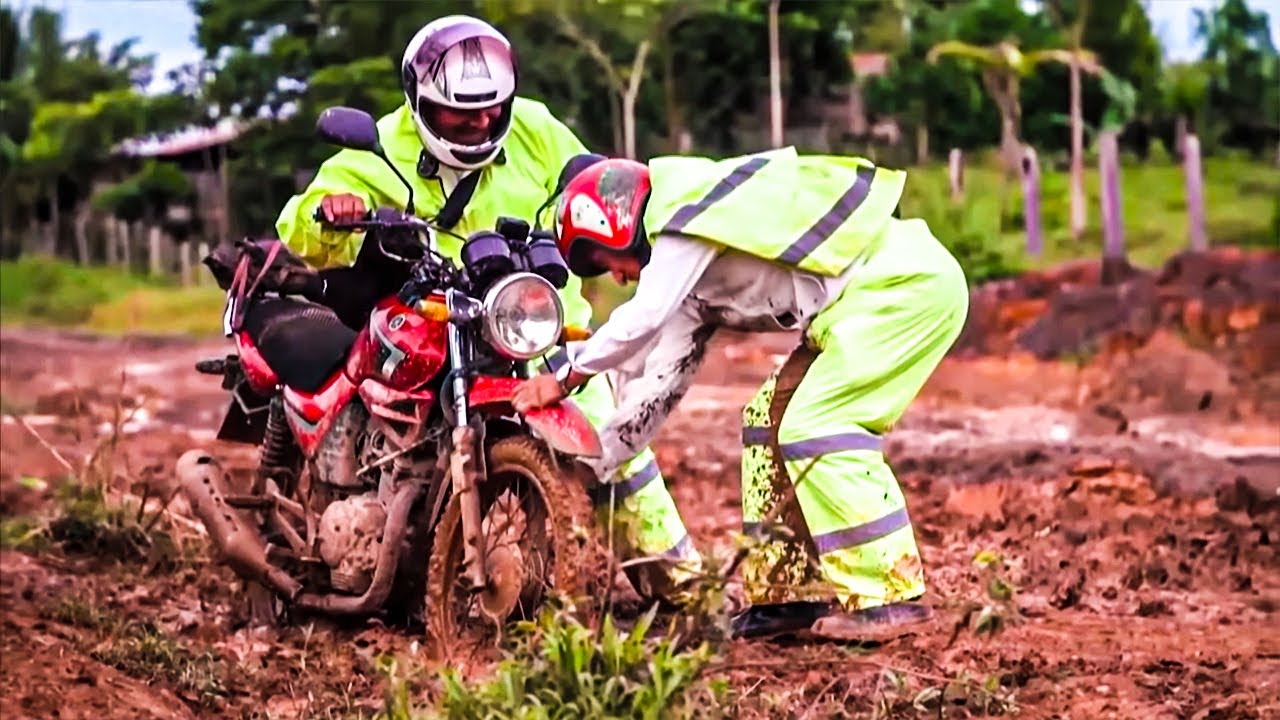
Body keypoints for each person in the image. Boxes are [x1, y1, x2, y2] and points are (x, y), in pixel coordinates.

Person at [273, 15, 701, 600]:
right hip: (436, 321)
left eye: (490, 109)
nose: (478, 122)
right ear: (420, 102)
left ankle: (685, 588)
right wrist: (334, 209)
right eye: (459, 112)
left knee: (615, 440)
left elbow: (591, 179)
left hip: (535, 325)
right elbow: (301, 224)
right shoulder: (376, 152)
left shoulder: (534, 128)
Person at [511, 148, 970, 640]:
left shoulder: (683, 219)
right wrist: (589, 470)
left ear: (615, 224)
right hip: (856, 305)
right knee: (766, 423)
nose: (618, 277)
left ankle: (891, 597)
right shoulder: (690, 283)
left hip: (902, 286)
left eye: (604, 261)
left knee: (816, 426)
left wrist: (564, 378)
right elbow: (653, 397)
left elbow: (640, 318)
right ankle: (788, 596)